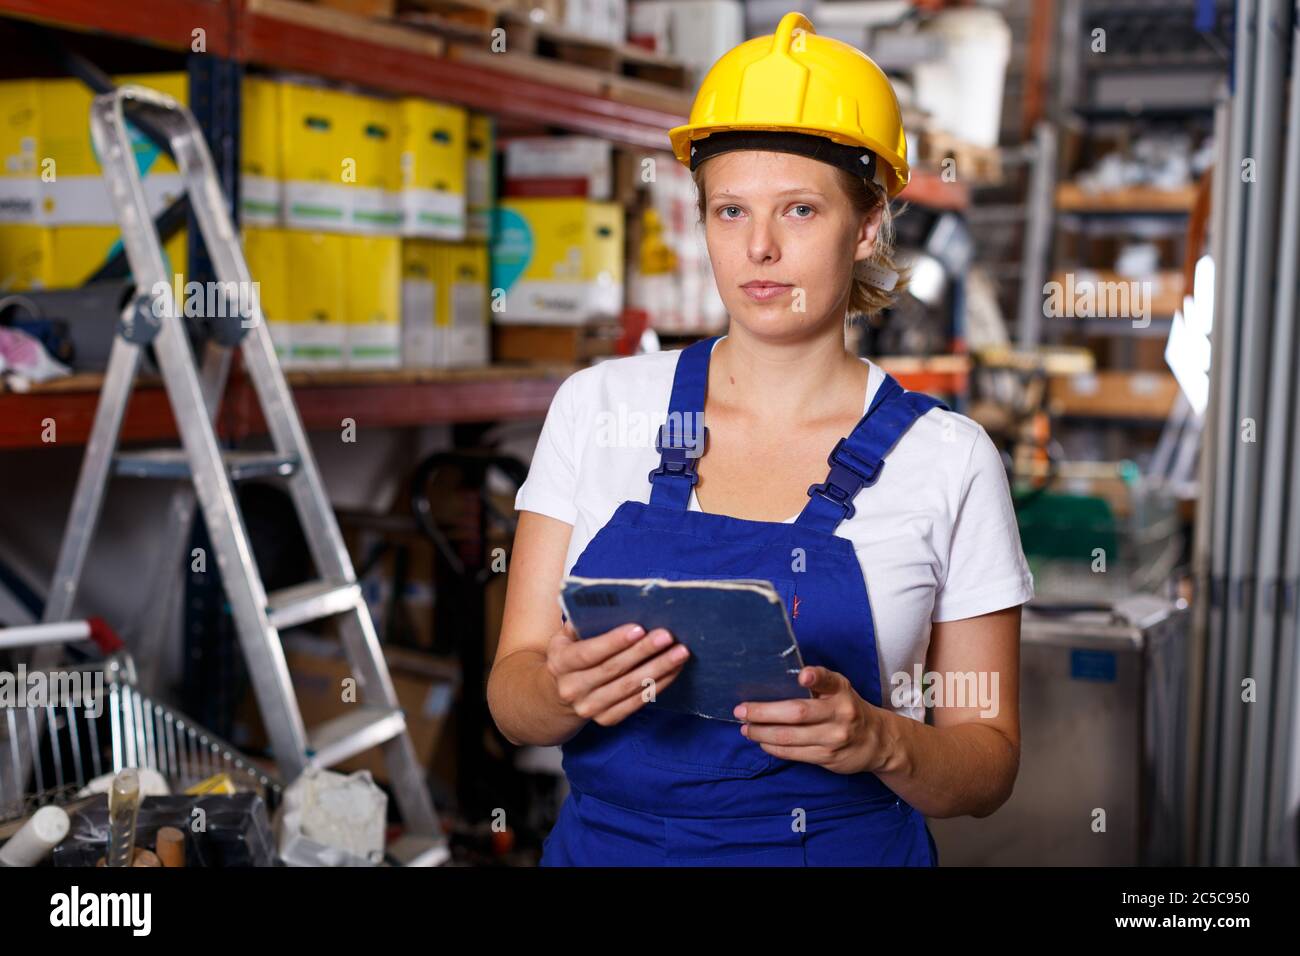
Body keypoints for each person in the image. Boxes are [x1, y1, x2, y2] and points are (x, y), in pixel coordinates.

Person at [488, 11, 1034, 866]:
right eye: (730, 209)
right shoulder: (598, 408)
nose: (760, 249)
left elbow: (987, 761)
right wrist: (561, 688)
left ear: (866, 226)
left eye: (801, 210)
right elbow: (513, 695)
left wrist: (881, 742)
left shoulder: (949, 459)